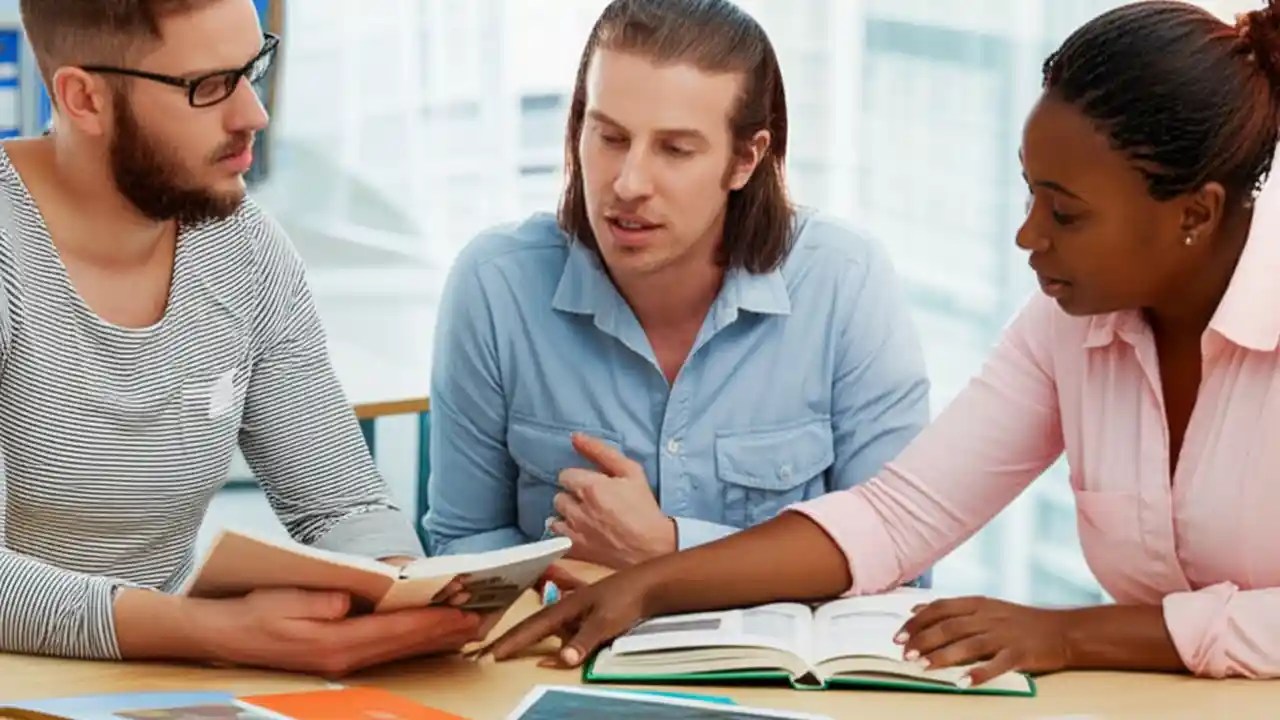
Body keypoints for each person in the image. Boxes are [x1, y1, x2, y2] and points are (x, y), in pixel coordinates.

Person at [488, 0, 1280, 684]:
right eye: (1031, 195)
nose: (1027, 235)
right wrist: (651, 586)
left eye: (1065, 215)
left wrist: (1071, 634)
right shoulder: (1069, 327)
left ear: (1194, 215)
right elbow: (899, 514)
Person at [0, 0, 479, 674]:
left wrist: (398, 586)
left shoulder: (245, 250)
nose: (254, 113)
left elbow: (341, 502)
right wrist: (209, 631)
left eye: (251, 70)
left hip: (154, 686)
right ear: (84, 98)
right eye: (208, 86)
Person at [423, 0, 931, 573]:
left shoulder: (845, 283)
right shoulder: (495, 287)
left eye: (675, 150)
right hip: (556, 658)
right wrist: (571, 588)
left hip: (779, 663)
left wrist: (667, 553)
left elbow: (900, 558)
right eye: (610, 138)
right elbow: (462, 540)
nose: (629, 183)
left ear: (745, 159)